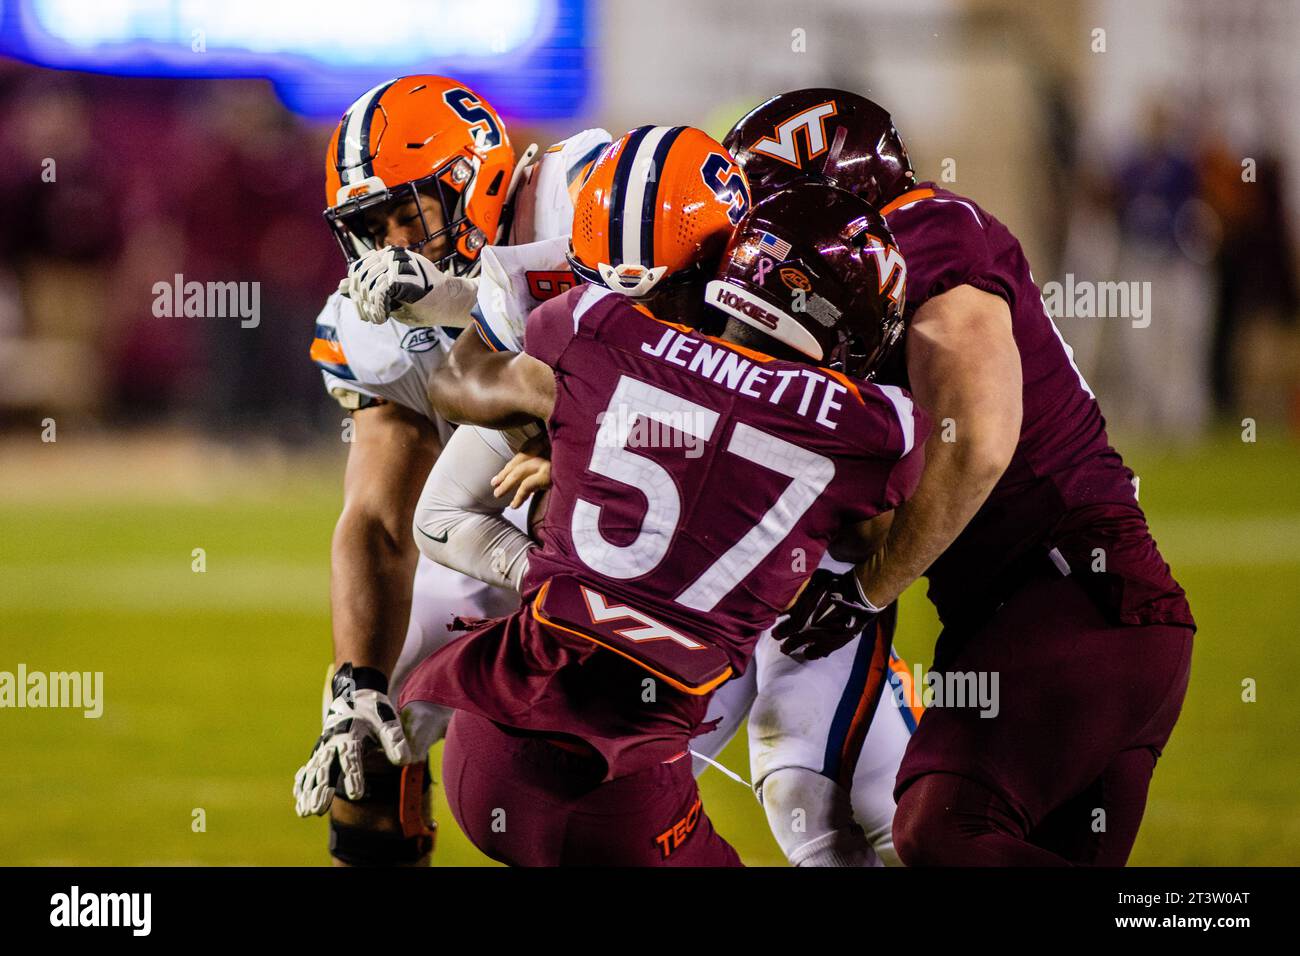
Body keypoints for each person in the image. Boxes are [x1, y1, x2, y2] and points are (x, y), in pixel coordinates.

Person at [397, 180, 928, 865]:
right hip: (615, 787)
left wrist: (566, 445)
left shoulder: (593, 326)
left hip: (482, 746)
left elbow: (508, 377)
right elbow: (872, 535)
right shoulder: (870, 430)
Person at [727, 88, 1195, 865]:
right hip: (1074, 617)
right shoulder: (906, 251)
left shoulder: (930, 242)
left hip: (1071, 601)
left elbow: (979, 445)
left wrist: (866, 589)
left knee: (940, 832)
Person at [291, 73, 609, 866]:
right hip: (480, 530)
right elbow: (377, 517)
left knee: (579, 793)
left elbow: (646, 356)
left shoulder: (580, 195)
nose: (392, 246)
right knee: (361, 750)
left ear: (479, 182)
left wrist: (457, 297)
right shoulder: (368, 324)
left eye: (409, 214)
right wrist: (355, 683)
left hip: (628, 529)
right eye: (370, 228)